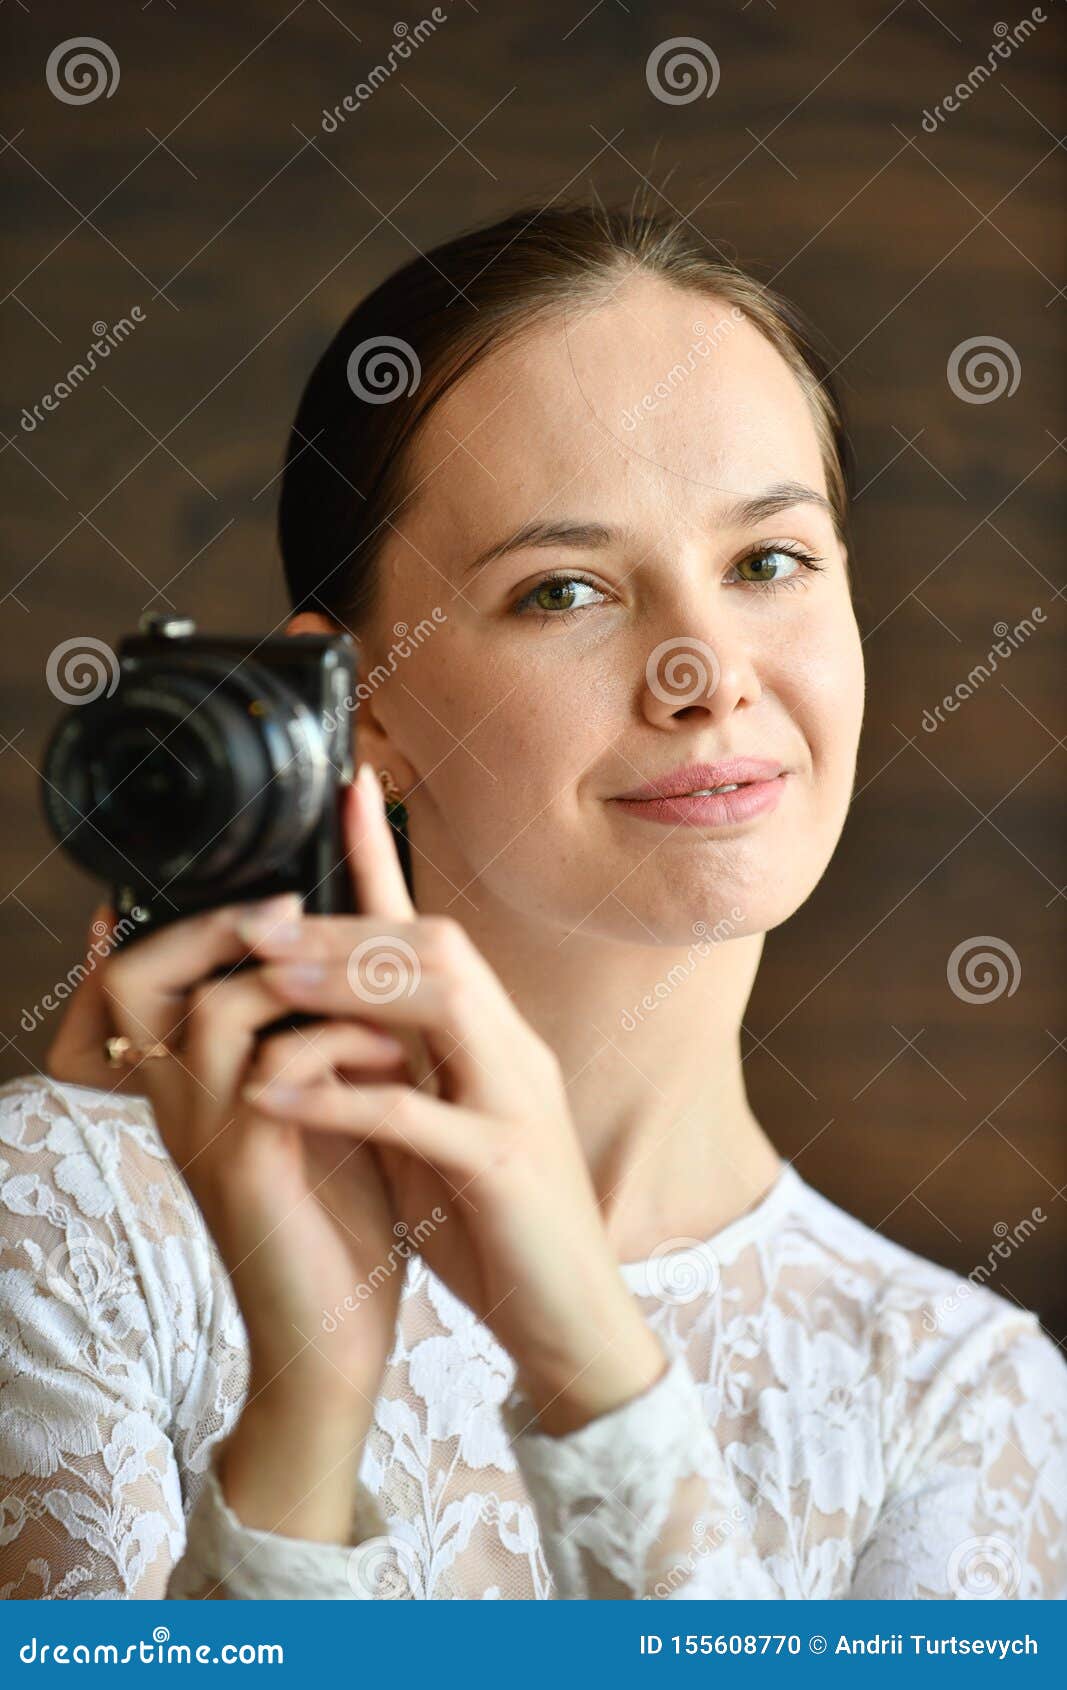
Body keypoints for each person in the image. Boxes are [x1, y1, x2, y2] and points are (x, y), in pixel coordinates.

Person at [1, 199, 1063, 1601]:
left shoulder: (971, 1401)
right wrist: (303, 1417)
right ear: (357, 701)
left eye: (768, 561)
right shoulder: (67, 1220)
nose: (704, 669)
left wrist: (594, 1373)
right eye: (565, 589)